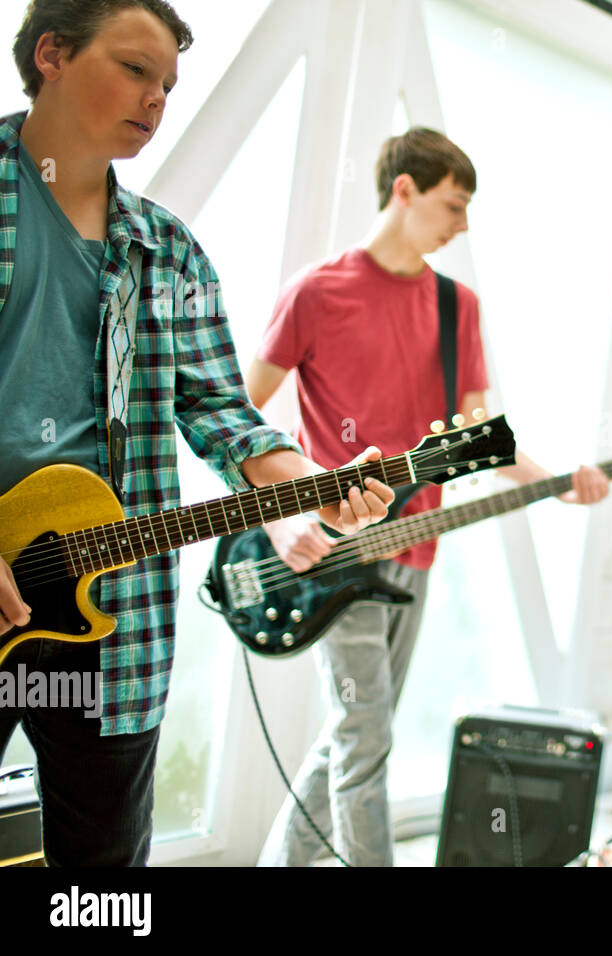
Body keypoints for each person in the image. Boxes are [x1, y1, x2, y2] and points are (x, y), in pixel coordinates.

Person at [0, 0, 393, 867]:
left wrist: (314, 486)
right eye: (135, 69)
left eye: (169, 84)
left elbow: (221, 410)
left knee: (102, 886)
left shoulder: (167, 250)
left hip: (112, 615)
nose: (156, 99)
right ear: (52, 54)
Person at [247, 126, 610, 867]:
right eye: (454, 204)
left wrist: (556, 483)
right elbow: (244, 414)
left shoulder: (457, 308)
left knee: (355, 736)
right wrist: (285, 518)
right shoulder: (315, 292)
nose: (464, 225)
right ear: (404, 189)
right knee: (366, 736)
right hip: (330, 549)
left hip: (415, 547)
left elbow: (478, 431)